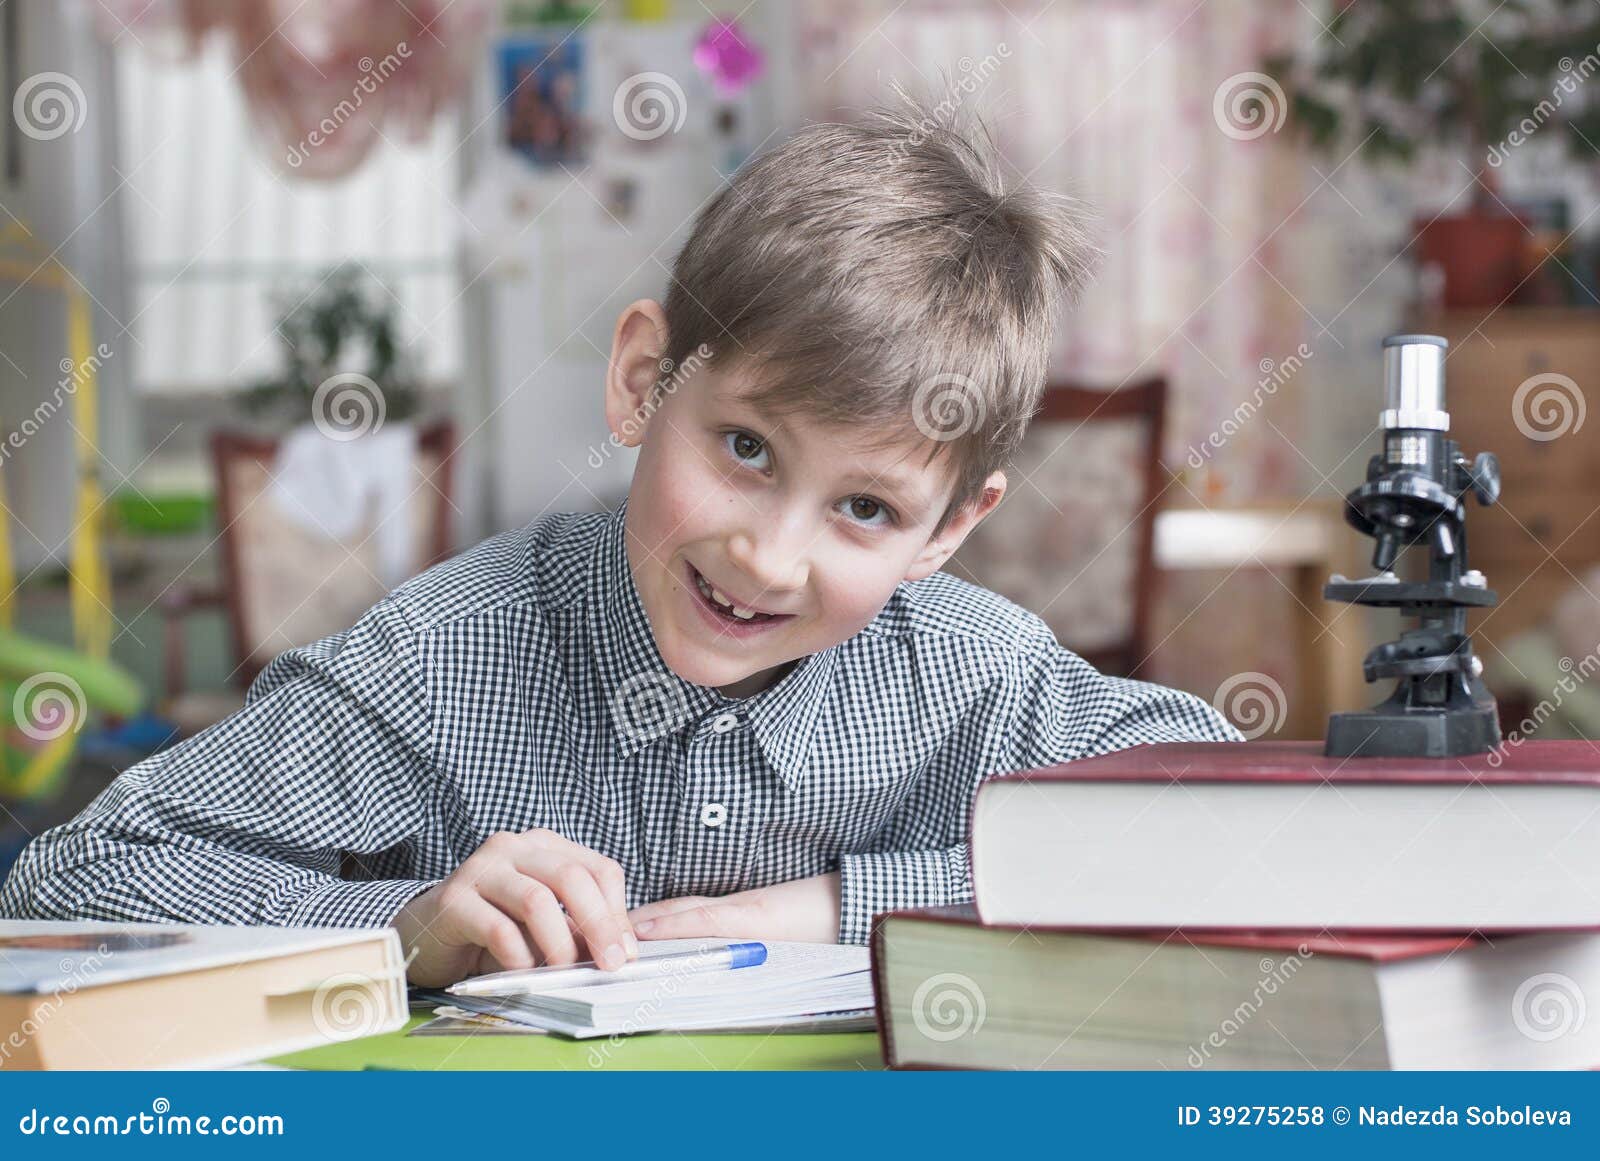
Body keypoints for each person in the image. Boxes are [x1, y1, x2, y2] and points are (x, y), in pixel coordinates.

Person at [0, 100, 1239, 986]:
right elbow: (71, 876)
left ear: (950, 528)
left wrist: (832, 909)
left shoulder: (974, 672)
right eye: (746, 449)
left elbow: (1223, 828)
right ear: (645, 379)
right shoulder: (443, 660)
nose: (767, 557)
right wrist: (410, 921)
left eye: (865, 509)